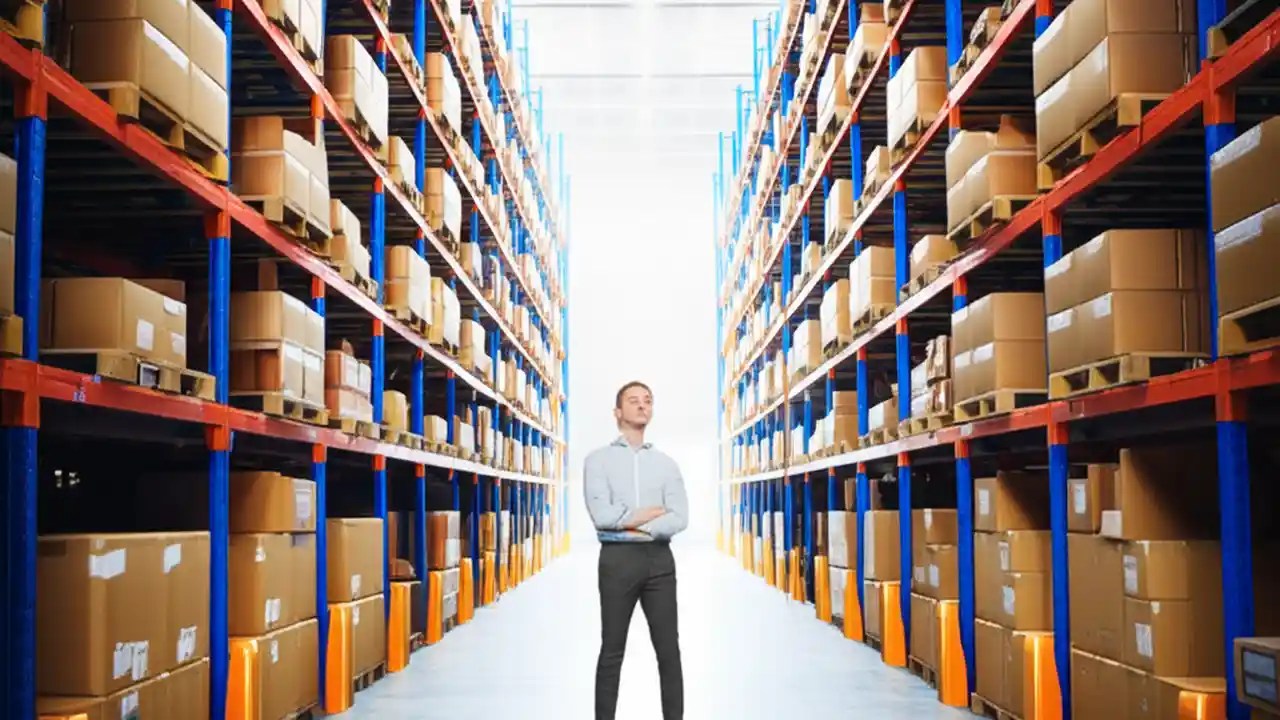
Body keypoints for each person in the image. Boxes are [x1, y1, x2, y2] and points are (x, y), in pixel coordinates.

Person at [583, 380, 688, 720]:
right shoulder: (597, 461)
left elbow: (680, 517)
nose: (642, 405)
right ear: (617, 412)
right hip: (617, 561)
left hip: (659, 561)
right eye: (633, 400)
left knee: (669, 652)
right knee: (612, 650)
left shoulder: (666, 464)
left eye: (647, 401)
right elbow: (601, 516)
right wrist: (647, 514)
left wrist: (630, 522)